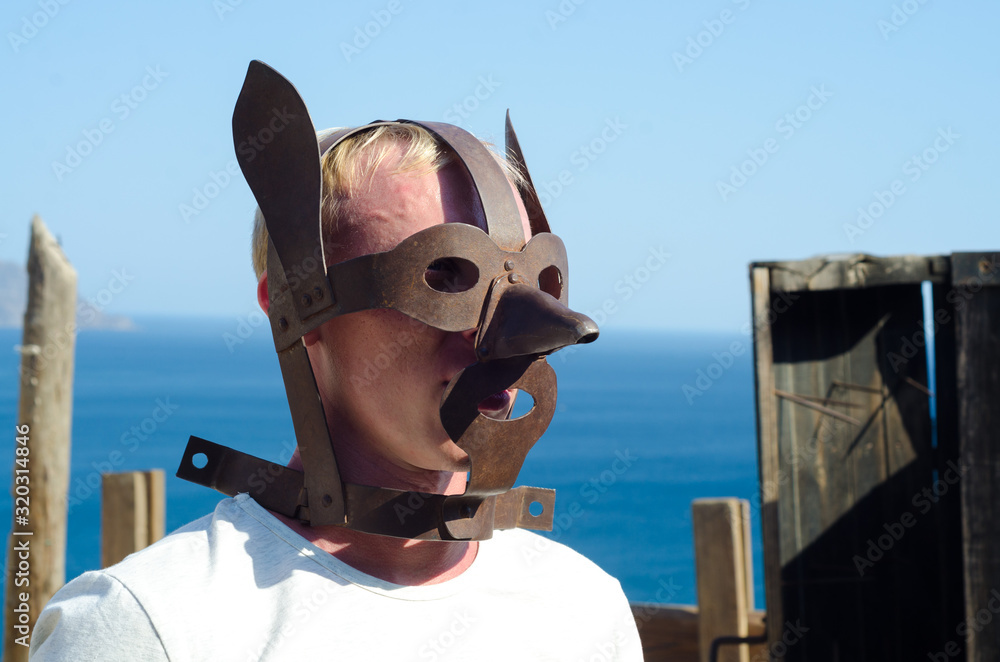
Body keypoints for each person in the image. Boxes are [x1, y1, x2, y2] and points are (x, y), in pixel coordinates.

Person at [29, 64, 643, 660]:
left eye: (536, 285)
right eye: (445, 277)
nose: (511, 336)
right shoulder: (150, 626)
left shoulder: (583, 611)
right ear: (296, 307)